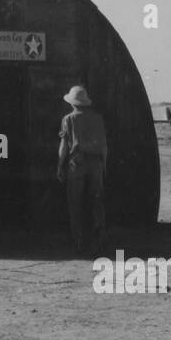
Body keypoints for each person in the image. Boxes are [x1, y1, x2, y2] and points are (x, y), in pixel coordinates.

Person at [56, 86, 107, 255]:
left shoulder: (68, 119)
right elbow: (104, 146)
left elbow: (64, 146)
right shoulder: (98, 119)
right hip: (96, 164)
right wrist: (103, 165)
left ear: (72, 103)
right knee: (96, 201)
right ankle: (98, 241)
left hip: (76, 164)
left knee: (75, 203)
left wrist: (60, 166)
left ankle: (78, 242)